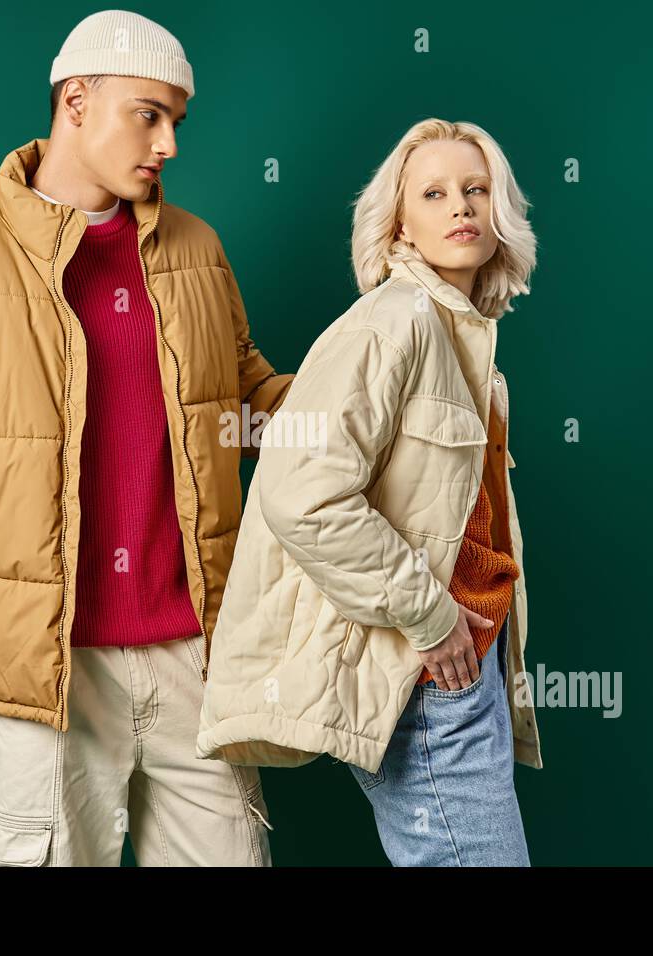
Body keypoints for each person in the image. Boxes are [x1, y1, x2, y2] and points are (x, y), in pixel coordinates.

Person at [0, 9, 291, 866]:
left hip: (198, 650)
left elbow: (249, 400)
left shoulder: (197, 248)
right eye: (148, 115)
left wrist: (376, 397)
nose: (170, 145)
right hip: (47, 670)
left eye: (178, 122)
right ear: (76, 101)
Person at [196, 117, 543, 866]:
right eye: (436, 193)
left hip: (461, 663)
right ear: (399, 225)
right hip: (424, 673)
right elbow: (302, 497)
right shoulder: (392, 324)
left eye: (476, 191)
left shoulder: (463, 338)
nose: (462, 208)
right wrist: (430, 617)